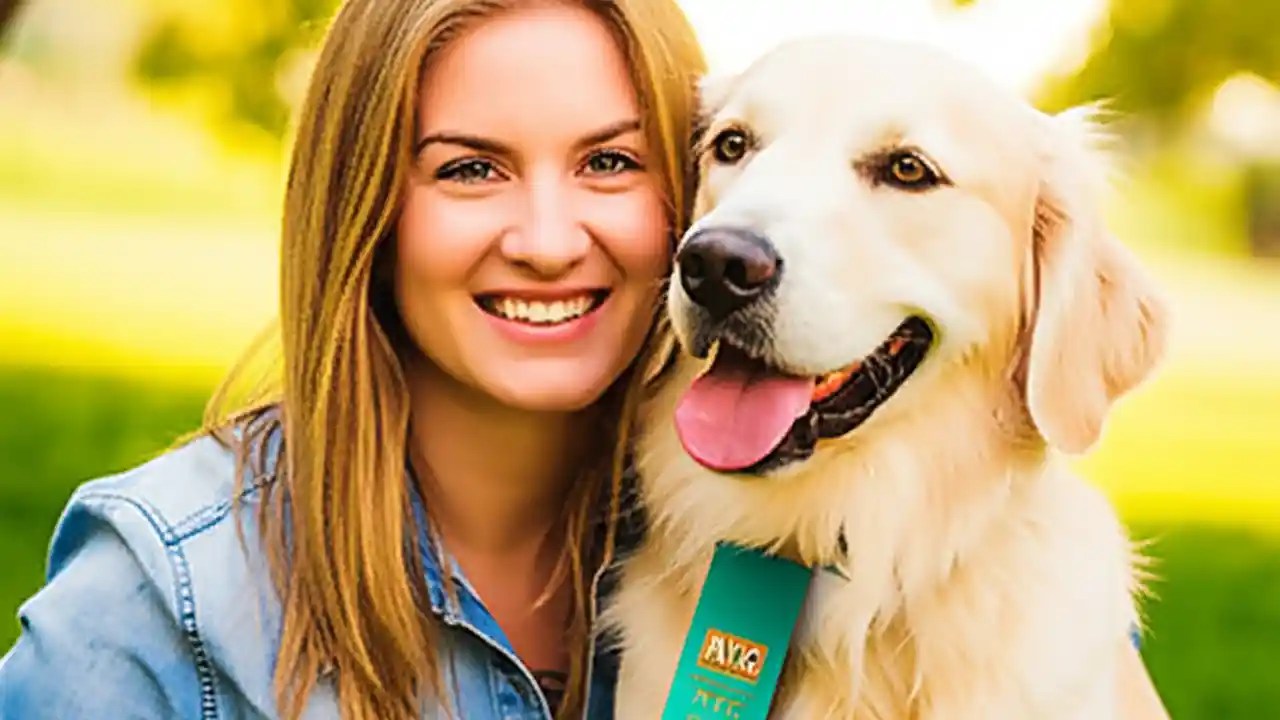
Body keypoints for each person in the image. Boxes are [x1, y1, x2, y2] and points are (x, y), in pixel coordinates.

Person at [0, 0, 1172, 718]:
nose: (550, 238)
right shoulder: (154, 610)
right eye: (468, 167)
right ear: (360, 209)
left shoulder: (1055, 632)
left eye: (611, 162)